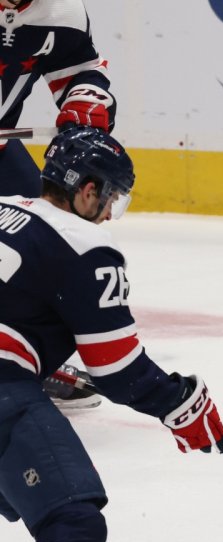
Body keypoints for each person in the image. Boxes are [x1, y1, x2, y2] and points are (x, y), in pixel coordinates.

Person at [0, 127, 223, 542]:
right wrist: (181, 402)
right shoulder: (86, 247)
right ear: (86, 189)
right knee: (72, 519)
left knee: (51, 497)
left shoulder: (5, 206)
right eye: (109, 199)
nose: (107, 215)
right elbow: (119, 368)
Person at [1, 0, 121, 410]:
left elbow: (79, 68)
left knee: (42, 243)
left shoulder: (61, 11)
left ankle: (27, 356)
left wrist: (84, 98)